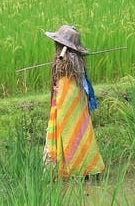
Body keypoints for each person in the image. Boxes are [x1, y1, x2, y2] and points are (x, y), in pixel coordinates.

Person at [43, 25, 105, 179]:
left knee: (74, 130)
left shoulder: (70, 60)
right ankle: (71, 168)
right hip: (67, 96)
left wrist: (61, 61)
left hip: (71, 97)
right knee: (72, 130)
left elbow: (66, 75)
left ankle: (79, 168)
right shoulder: (65, 60)